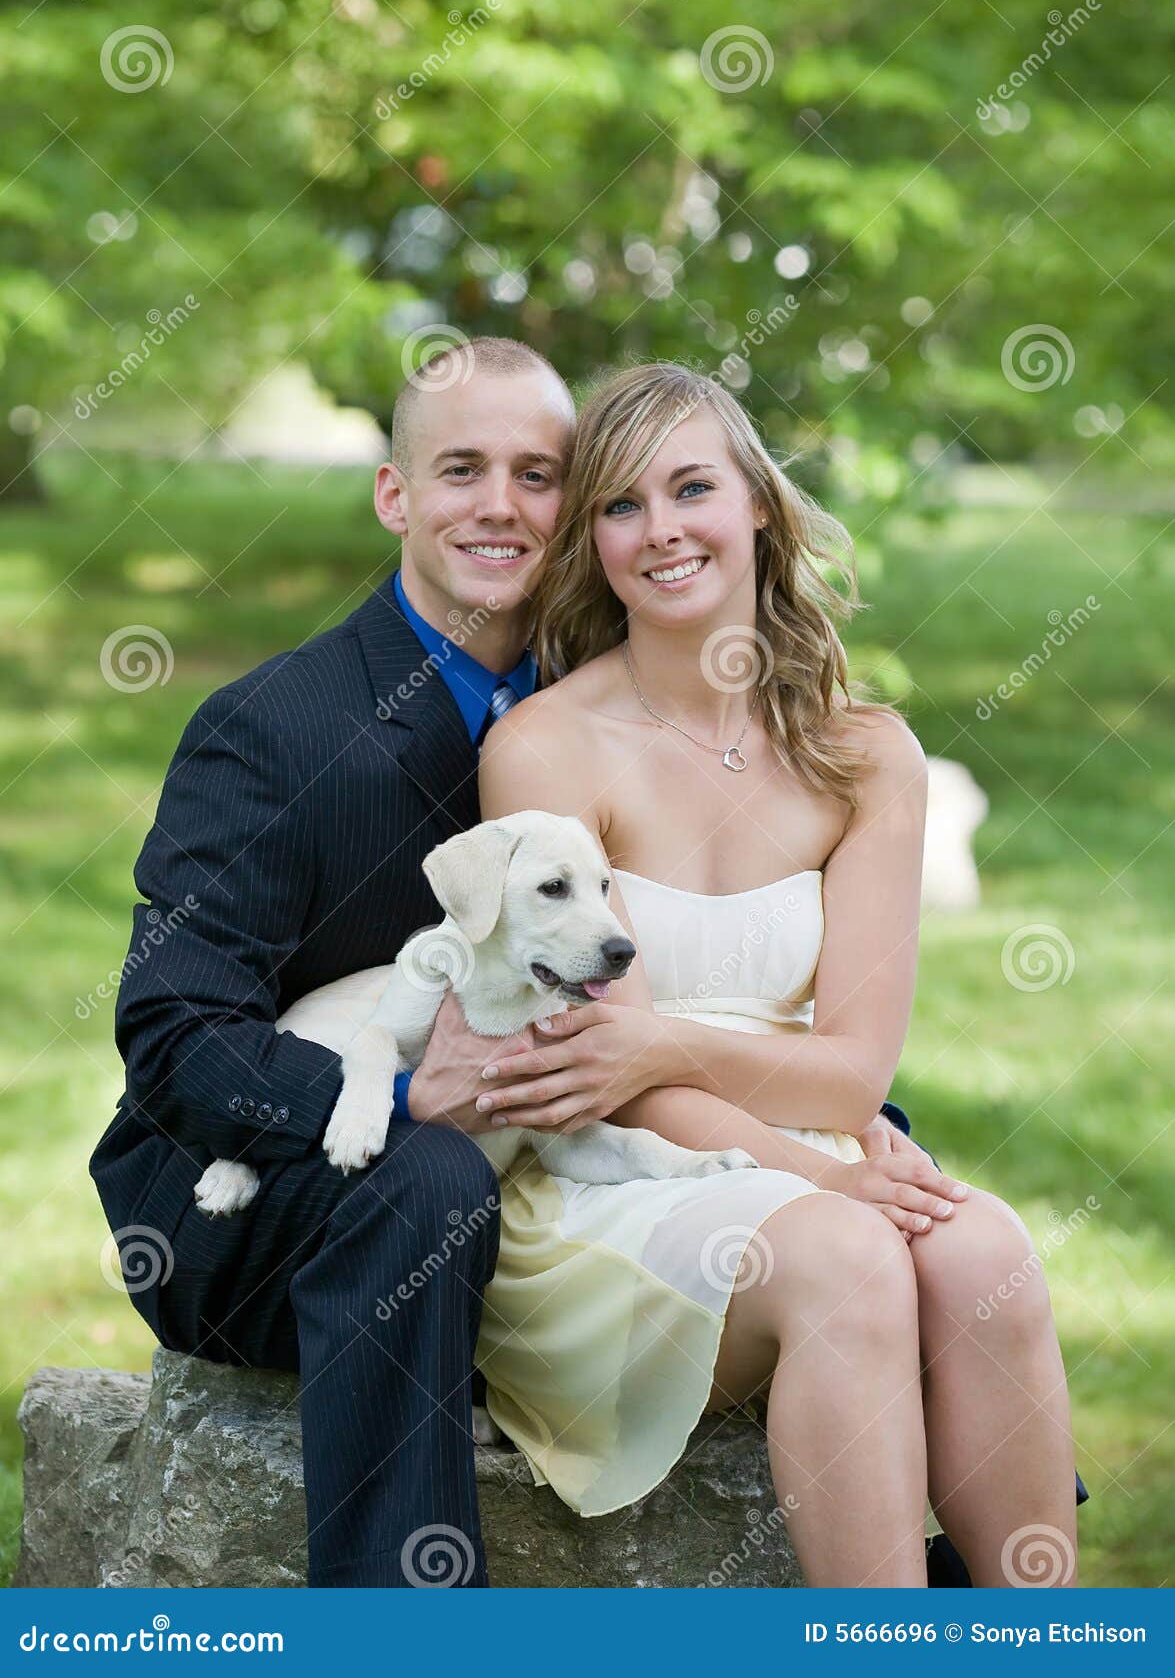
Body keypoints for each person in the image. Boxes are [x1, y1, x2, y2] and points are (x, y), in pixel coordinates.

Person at [466, 361, 1085, 1588]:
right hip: (613, 1183)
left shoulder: (867, 756)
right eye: (619, 506)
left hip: (807, 1138)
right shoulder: (544, 748)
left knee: (985, 1252)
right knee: (847, 1255)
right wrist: (814, 1172)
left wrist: (698, 1061)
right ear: (591, 541)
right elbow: (612, 1081)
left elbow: (856, 1064)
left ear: (754, 500)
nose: (661, 531)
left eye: (690, 487)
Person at [89, 337, 582, 1587]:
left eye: (537, 473)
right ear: (393, 495)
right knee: (422, 1179)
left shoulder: (601, 711)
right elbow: (175, 1033)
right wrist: (412, 1096)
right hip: (239, 1183)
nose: (499, 504)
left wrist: (855, 1128)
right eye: (460, 467)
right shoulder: (275, 725)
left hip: (548, 1139)